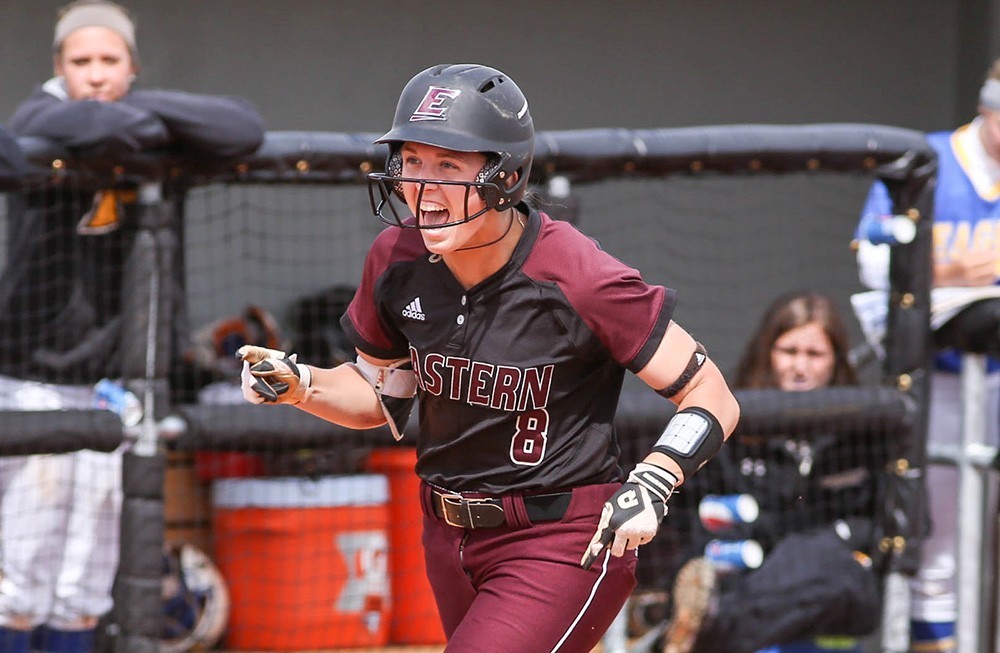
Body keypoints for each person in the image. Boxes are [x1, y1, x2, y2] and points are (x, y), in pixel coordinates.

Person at [237, 62, 740, 653]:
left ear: (505, 177)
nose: (422, 189)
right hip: (445, 535)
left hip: (561, 539)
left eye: (448, 166)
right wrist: (300, 384)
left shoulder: (576, 274)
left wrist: (654, 482)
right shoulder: (395, 258)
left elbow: (712, 395)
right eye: (412, 162)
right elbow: (382, 396)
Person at [0, 2, 264, 652]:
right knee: (21, 569)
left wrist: (142, 111)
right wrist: (143, 121)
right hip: (35, 375)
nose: (95, 75)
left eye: (110, 61)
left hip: (120, 379)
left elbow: (243, 127)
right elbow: (84, 128)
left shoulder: (146, 121)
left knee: (87, 572)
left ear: (132, 65)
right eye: (81, 62)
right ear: (58, 68)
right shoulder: (39, 118)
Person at [853, 58, 1000, 653]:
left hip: (997, 375)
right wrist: (954, 268)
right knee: (939, 549)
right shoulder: (927, 159)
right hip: (938, 383)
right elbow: (870, 257)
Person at [662, 291, 882, 653]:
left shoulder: (862, 430)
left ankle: (705, 634)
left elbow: (880, 521)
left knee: (830, 569)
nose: (800, 368)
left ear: (835, 360)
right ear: (767, 353)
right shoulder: (732, 420)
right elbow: (693, 518)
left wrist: (831, 541)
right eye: (789, 352)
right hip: (746, 571)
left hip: (832, 584)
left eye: (814, 355)